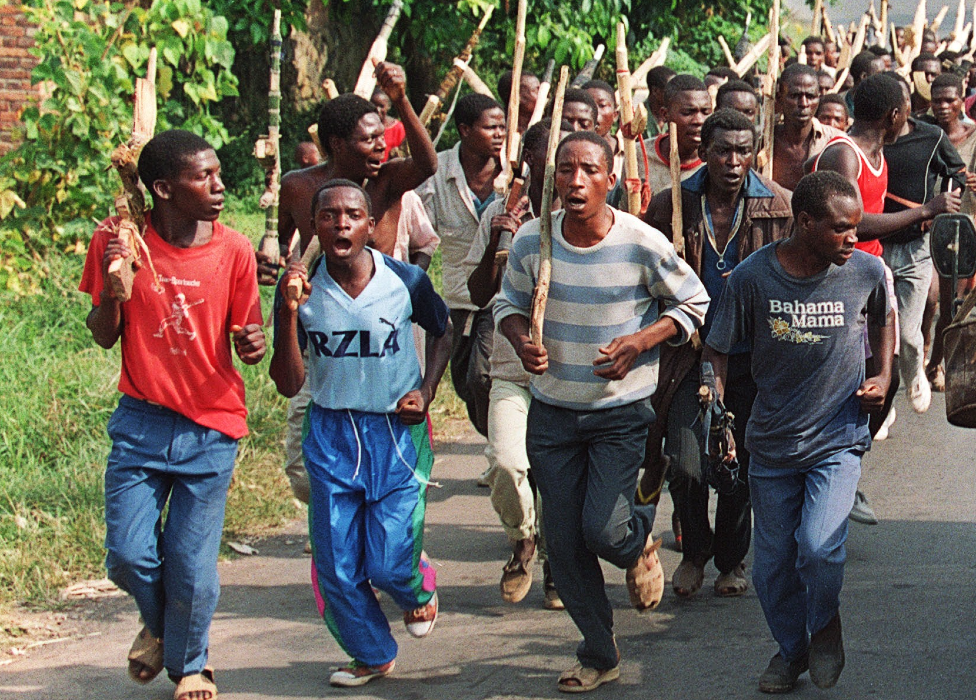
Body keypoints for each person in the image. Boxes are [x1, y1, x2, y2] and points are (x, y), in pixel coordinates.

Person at [495, 131, 709, 692]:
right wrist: (521, 340)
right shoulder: (531, 243)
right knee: (563, 546)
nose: (575, 180)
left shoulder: (640, 241)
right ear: (553, 180)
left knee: (605, 529)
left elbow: (694, 302)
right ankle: (598, 650)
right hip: (554, 414)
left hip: (620, 411)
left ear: (610, 178)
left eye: (588, 169)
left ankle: (636, 541)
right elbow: (507, 306)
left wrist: (640, 342)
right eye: (565, 170)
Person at [80, 130, 267, 700]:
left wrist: (254, 342)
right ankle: (163, 626)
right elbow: (103, 336)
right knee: (128, 556)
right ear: (162, 189)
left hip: (211, 427)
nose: (219, 185)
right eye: (203, 177)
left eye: (217, 173)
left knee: (191, 564)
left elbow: (246, 334)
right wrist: (116, 285)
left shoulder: (234, 250)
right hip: (141, 423)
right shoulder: (117, 238)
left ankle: (193, 664)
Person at [703, 170, 895, 694]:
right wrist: (716, 411)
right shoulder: (752, 277)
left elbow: (884, 315)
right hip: (771, 442)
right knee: (770, 570)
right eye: (840, 229)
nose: (852, 238)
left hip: (837, 437)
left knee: (819, 546)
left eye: (856, 228)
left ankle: (825, 622)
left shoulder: (866, 271)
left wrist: (882, 373)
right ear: (805, 222)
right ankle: (792, 652)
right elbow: (717, 349)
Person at [269, 179, 452, 688]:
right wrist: (286, 316)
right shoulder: (300, 294)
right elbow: (288, 383)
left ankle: (417, 586)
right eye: (329, 216)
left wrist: (427, 390)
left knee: (391, 561)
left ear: (371, 226)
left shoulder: (405, 280)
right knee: (337, 563)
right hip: (330, 433)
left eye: (352, 215)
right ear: (315, 226)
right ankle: (371, 653)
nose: (341, 224)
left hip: (396, 431)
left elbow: (443, 330)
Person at [265, 63, 438, 505]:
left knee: (390, 458)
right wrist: (274, 262)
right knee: (306, 469)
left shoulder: (388, 181)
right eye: (369, 139)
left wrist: (400, 97)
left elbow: (427, 162)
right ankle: (336, 524)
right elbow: (279, 241)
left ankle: (390, 538)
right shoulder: (299, 186)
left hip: (382, 330)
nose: (381, 146)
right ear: (338, 145)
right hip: (320, 328)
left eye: (383, 136)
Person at [645, 109, 794, 599]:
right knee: (687, 461)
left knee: (741, 465)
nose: (733, 161)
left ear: (755, 152)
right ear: (703, 151)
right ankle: (694, 552)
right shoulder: (673, 203)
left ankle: (731, 560)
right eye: (722, 151)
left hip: (753, 358)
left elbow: (797, 280)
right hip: (688, 353)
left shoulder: (779, 207)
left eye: (742, 151)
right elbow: (644, 280)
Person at [465, 119, 570, 610]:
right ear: (527, 162)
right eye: (547, 161)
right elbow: (478, 294)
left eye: (566, 164)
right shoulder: (501, 213)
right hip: (511, 369)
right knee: (507, 463)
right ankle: (522, 539)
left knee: (557, 478)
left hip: (570, 374)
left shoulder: (596, 218)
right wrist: (497, 241)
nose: (558, 173)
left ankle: (555, 562)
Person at [416, 93, 506, 438]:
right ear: (465, 130)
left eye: (502, 126)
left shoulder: (514, 171)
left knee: (482, 377)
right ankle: (495, 440)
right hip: (459, 295)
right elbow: (422, 232)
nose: (499, 134)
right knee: (464, 381)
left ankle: (504, 445)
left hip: (501, 295)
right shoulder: (437, 172)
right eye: (490, 127)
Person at [880, 73, 966, 417]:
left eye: (896, 105)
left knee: (909, 333)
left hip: (917, 246)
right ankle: (884, 409)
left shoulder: (931, 137)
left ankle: (916, 371)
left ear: (905, 107)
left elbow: (958, 172)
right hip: (876, 246)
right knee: (878, 331)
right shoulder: (868, 139)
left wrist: (940, 203)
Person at [771, 63, 844, 191]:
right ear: (779, 98)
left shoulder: (836, 142)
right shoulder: (763, 142)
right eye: (794, 96)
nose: (804, 104)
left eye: (810, 96)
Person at [647, 74, 712, 195]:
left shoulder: (716, 162)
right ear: (665, 114)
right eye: (688, 112)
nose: (699, 120)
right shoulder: (640, 155)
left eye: (705, 112)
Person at [498, 69, 540, 135]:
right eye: (536, 90)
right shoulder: (499, 130)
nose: (543, 95)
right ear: (517, 97)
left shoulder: (545, 128)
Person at [371, 86, 406, 161]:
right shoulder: (366, 127)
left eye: (381, 106)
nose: (377, 109)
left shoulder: (398, 128)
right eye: (374, 105)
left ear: (388, 106)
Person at [646, 65, 677, 136]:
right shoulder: (636, 116)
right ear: (655, 91)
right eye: (671, 90)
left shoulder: (679, 114)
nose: (675, 94)